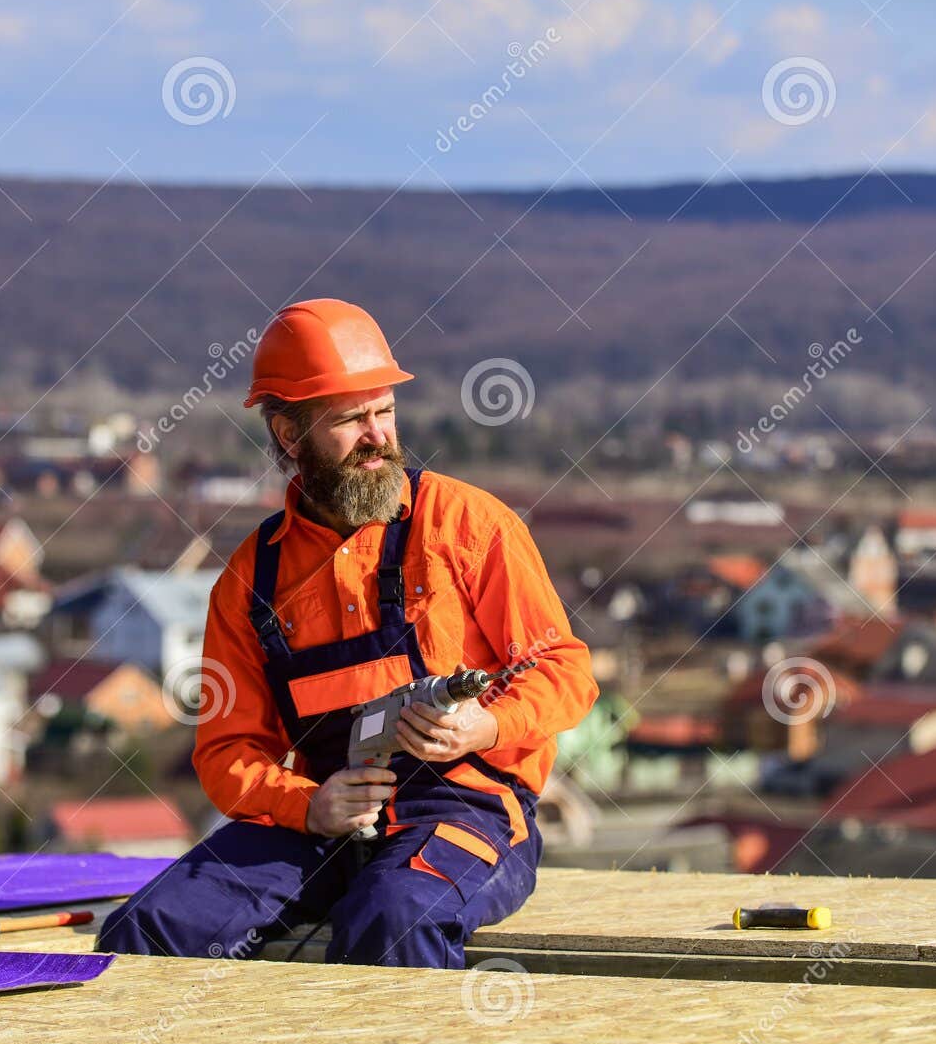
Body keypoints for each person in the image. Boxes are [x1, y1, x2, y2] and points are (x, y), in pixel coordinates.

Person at [98, 298, 599, 968]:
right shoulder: (250, 582)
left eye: (384, 411)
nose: (376, 436)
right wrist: (307, 804)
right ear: (288, 434)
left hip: (468, 808)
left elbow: (565, 670)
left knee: (393, 917)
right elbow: (227, 751)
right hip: (325, 819)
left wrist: (487, 724)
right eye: (350, 419)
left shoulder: (470, 526)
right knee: (149, 928)